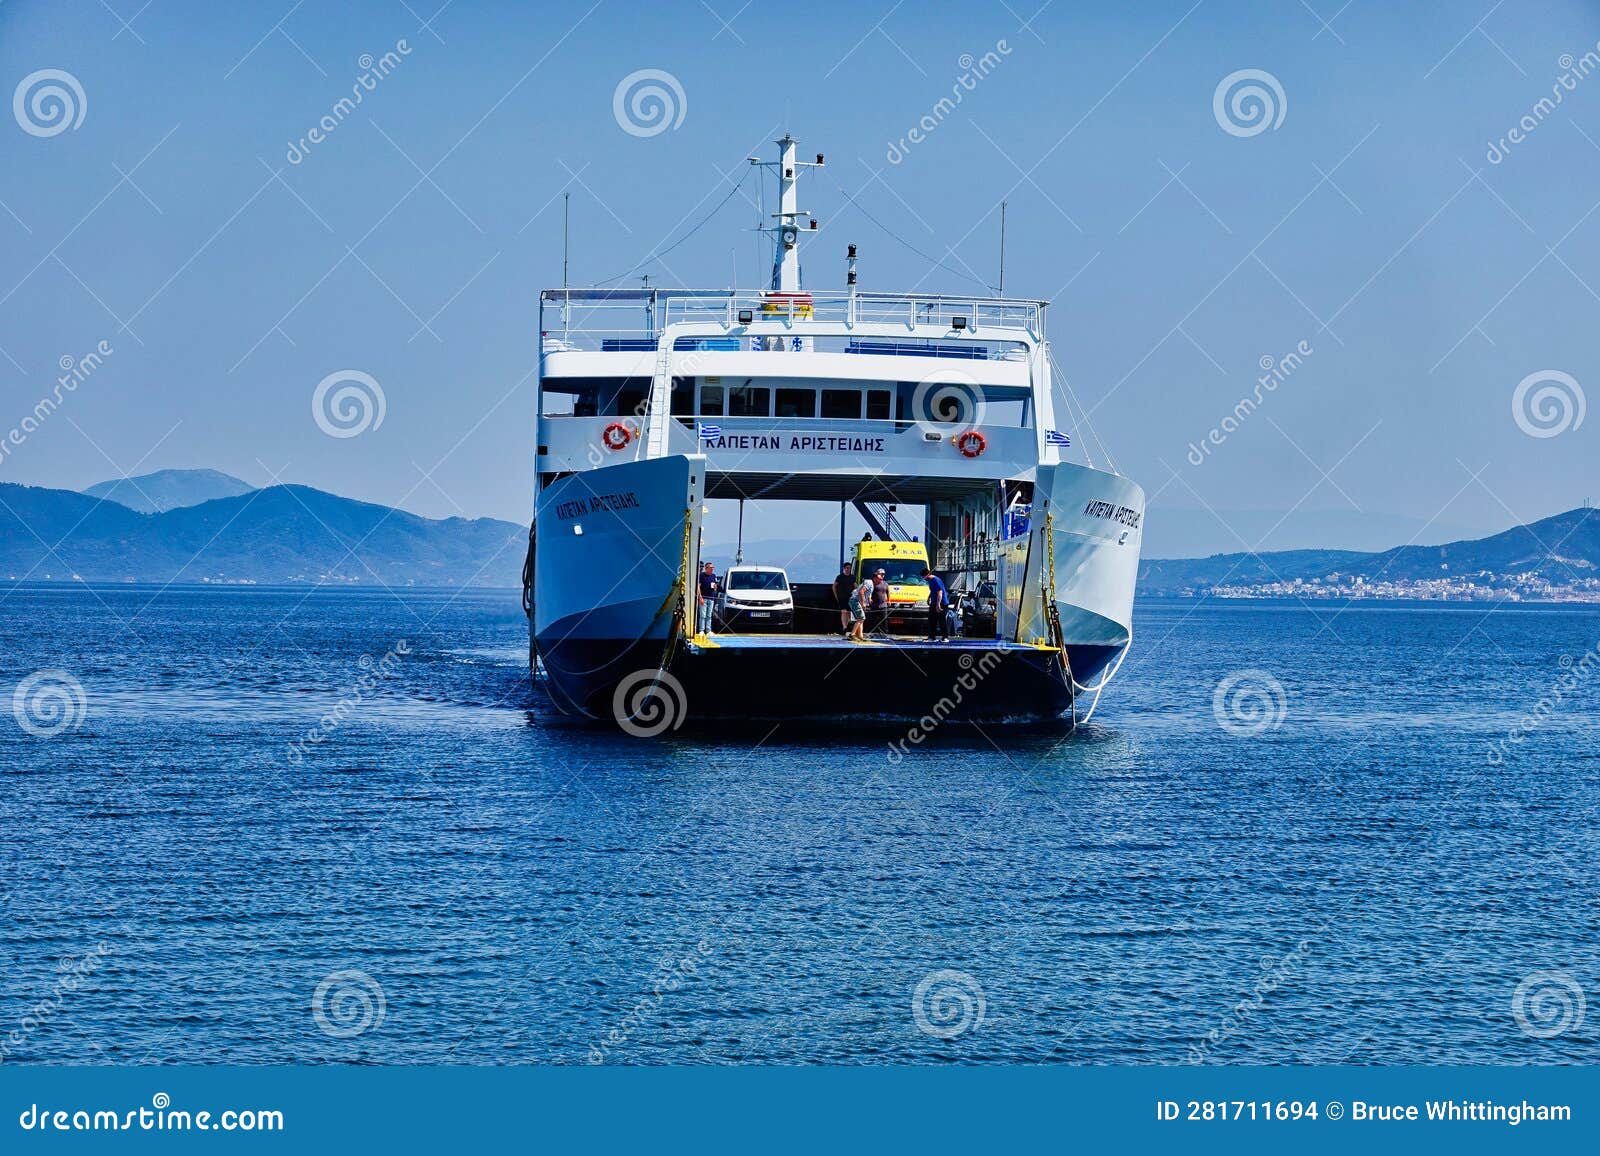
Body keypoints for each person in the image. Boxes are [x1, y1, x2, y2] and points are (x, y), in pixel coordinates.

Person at [922, 567, 950, 642]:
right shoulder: (930, 581)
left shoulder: (936, 580)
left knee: (941, 620)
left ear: (927, 575)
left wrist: (938, 605)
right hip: (934, 603)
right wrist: (929, 598)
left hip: (941, 603)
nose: (923, 579)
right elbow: (932, 591)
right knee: (931, 620)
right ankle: (931, 637)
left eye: (923, 577)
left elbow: (939, 593)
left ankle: (945, 637)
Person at [831, 564, 855, 635]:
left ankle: (849, 626)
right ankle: (844, 627)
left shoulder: (852, 577)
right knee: (844, 611)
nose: (848, 569)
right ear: (844, 568)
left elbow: (855, 585)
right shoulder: (840, 577)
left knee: (849, 612)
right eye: (847, 568)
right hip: (842, 597)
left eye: (850, 568)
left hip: (850, 597)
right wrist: (836, 596)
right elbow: (834, 586)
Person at [849, 574, 874, 641]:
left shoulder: (872, 585)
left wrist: (869, 599)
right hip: (855, 601)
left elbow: (867, 593)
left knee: (861, 618)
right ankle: (852, 634)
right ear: (875, 578)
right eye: (880, 576)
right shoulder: (869, 582)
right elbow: (861, 591)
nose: (882, 578)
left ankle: (860, 636)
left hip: (856, 601)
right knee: (861, 618)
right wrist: (863, 603)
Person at [696, 562, 718, 635]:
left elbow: (715, 585)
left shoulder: (714, 576)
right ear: (706, 568)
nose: (712, 569)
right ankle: (701, 630)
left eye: (713, 568)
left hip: (711, 598)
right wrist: (700, 597)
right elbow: (698, 586)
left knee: (709, 615)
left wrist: (715, 587)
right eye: (711, 568)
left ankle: (708, 630)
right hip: (704, 598)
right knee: (703, 615)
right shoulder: (702, 575)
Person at [869, 568, 890, 636]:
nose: (882, 575)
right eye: (881, 574)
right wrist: (869, 598)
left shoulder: (885, 584)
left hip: (883, 605)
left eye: (883, 574)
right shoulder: (873, 583)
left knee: (884, 620)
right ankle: (873, 633)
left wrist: (889, 600)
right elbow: (869, 591)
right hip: (874, 605)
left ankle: (884, 633)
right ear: (877, 574)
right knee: (873, 620)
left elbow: (888, 592)